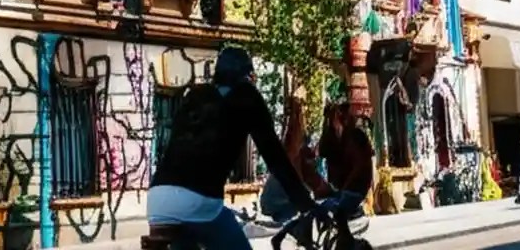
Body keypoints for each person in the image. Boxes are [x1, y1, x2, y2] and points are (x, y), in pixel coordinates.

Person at [149, 48, 315, 249]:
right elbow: (275, 158)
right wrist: (305, 203)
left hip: (158, 199)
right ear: (245, 75)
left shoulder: (195, 95)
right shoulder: (247, 97)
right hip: (200, 203)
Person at [314, 102, 375, 250]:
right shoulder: (335, 136)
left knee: (339, 210)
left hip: (356, 187)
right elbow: (322, 150)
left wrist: (346, 187)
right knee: (320, 208)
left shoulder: (356, 136)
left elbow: (360, 166)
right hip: (340, 186)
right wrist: (327, 124)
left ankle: (346, 241)